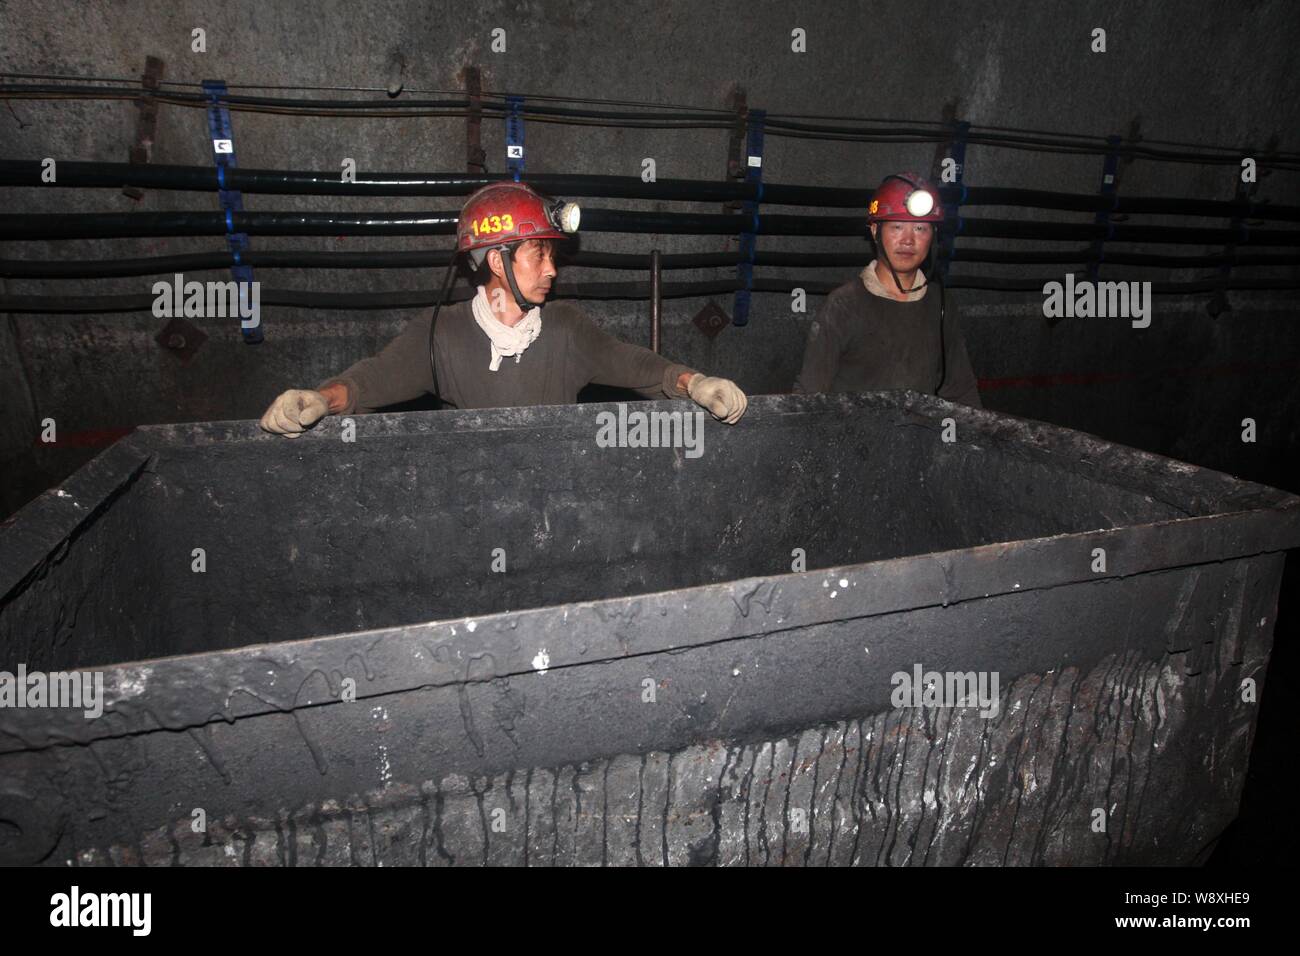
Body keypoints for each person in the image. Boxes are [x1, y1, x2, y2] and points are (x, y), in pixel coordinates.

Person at [261, 181, 747, 435]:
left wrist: (695, 384)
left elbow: (636, 364)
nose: (552, 269)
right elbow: (371, 380)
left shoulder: (565, 328)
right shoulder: (444, 335)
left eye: (552, 255)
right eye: (540, 254)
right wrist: (319, 400)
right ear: (497, 260)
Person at [793, 171, 981, 407]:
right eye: (897, 227)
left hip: (917, 440)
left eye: (921, 229)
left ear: (934, 236)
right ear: (874, 231)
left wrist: (977, 439)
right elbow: (809, 395)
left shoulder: (940, 304)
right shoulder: (843, 306)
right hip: (852, 440)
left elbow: (960, 390)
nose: (908, 240)